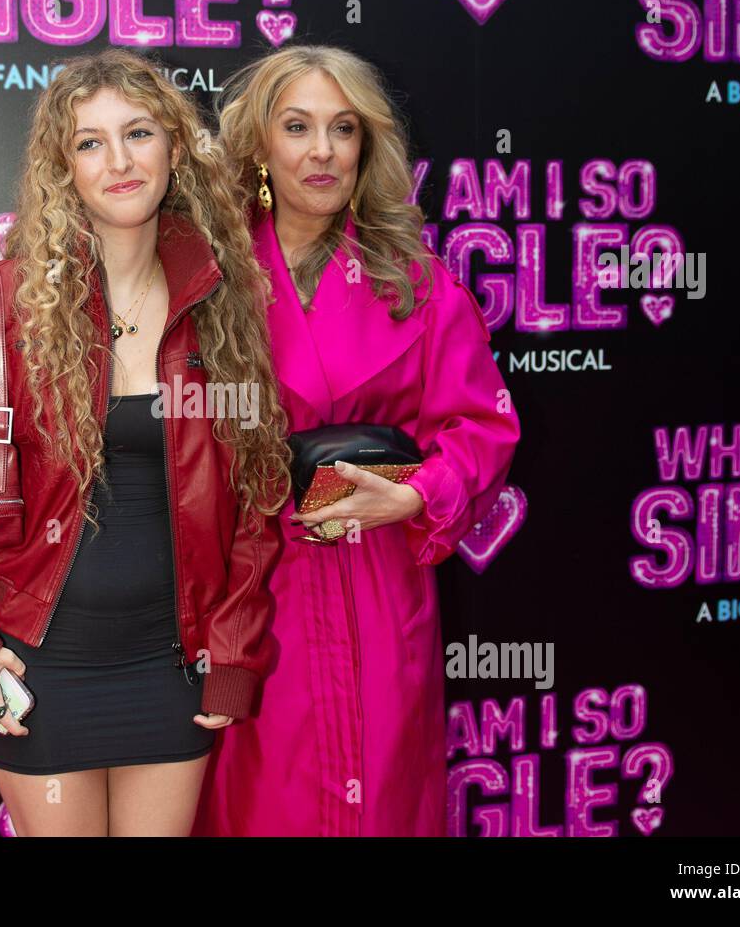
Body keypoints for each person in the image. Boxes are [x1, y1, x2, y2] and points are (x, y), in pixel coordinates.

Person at [0, 49, 291, 836]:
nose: (120, 160)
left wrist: (231, 657)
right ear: (64, 167)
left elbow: (253, 502)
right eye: (90, 142)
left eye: (138, 133)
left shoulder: (221, 305)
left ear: (173, 147)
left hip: (173, 669)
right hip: (38, 666)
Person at [192, 45, 521, 836]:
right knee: (261, 800)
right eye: (297, 126)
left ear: (367, 147)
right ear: (261, 144)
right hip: (248, 590)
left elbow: (482, 425)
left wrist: (412, 494)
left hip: (377, 580)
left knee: (379, 795)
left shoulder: (418, 281)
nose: (322, 150)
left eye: (344, 129)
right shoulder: (206, 274)